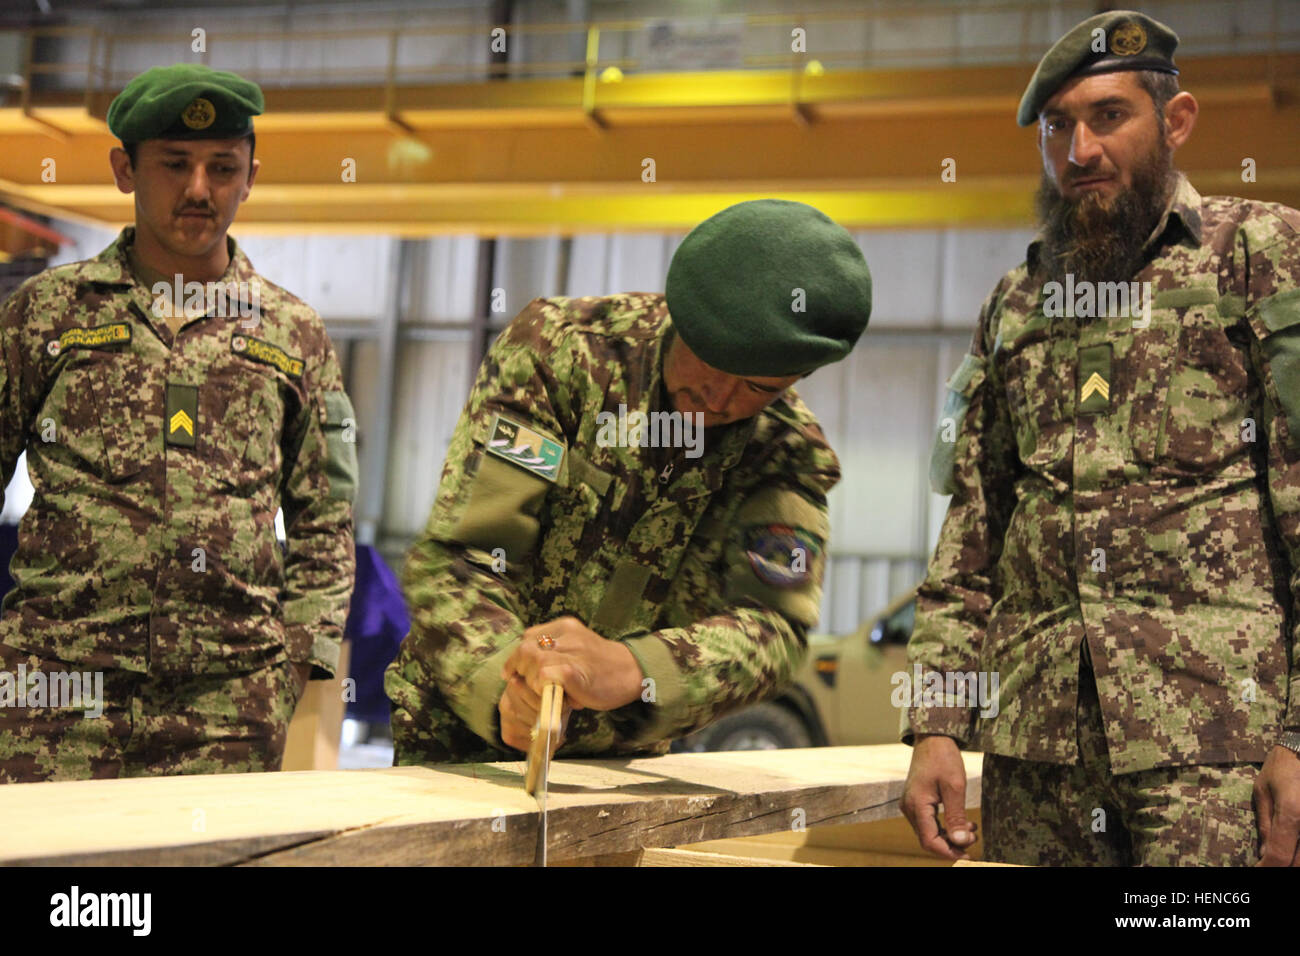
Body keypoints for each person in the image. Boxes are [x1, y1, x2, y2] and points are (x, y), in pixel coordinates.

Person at [900, 9, 1300, 866]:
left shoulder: (1258, 254)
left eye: (1108, 117)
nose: (1079, 151)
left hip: (1212, 758)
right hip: (1035, 764)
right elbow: (972, 536)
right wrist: (935, 725)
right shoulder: (1016, 303)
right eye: (1057, 126)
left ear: (1176, 121)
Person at [386, 199, 871, 762]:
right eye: (707, 362)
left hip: (620, 764)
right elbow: (461, 557)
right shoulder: (562, 354)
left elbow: (774, 632)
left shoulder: (785, 452)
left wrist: (637, 670)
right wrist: (507, 684)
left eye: (756, 388)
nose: (716, 399)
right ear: (681, 318)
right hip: (461, 732)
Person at [0, 63, 358, 781]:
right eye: (175, 165)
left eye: (223, 167)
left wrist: (301, 658)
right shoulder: (47, 313)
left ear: (251, 175)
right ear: (125, 170)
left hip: (228, 702)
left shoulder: (293, 331)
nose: (200, 189)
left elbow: (326, 516)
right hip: (58, 687)